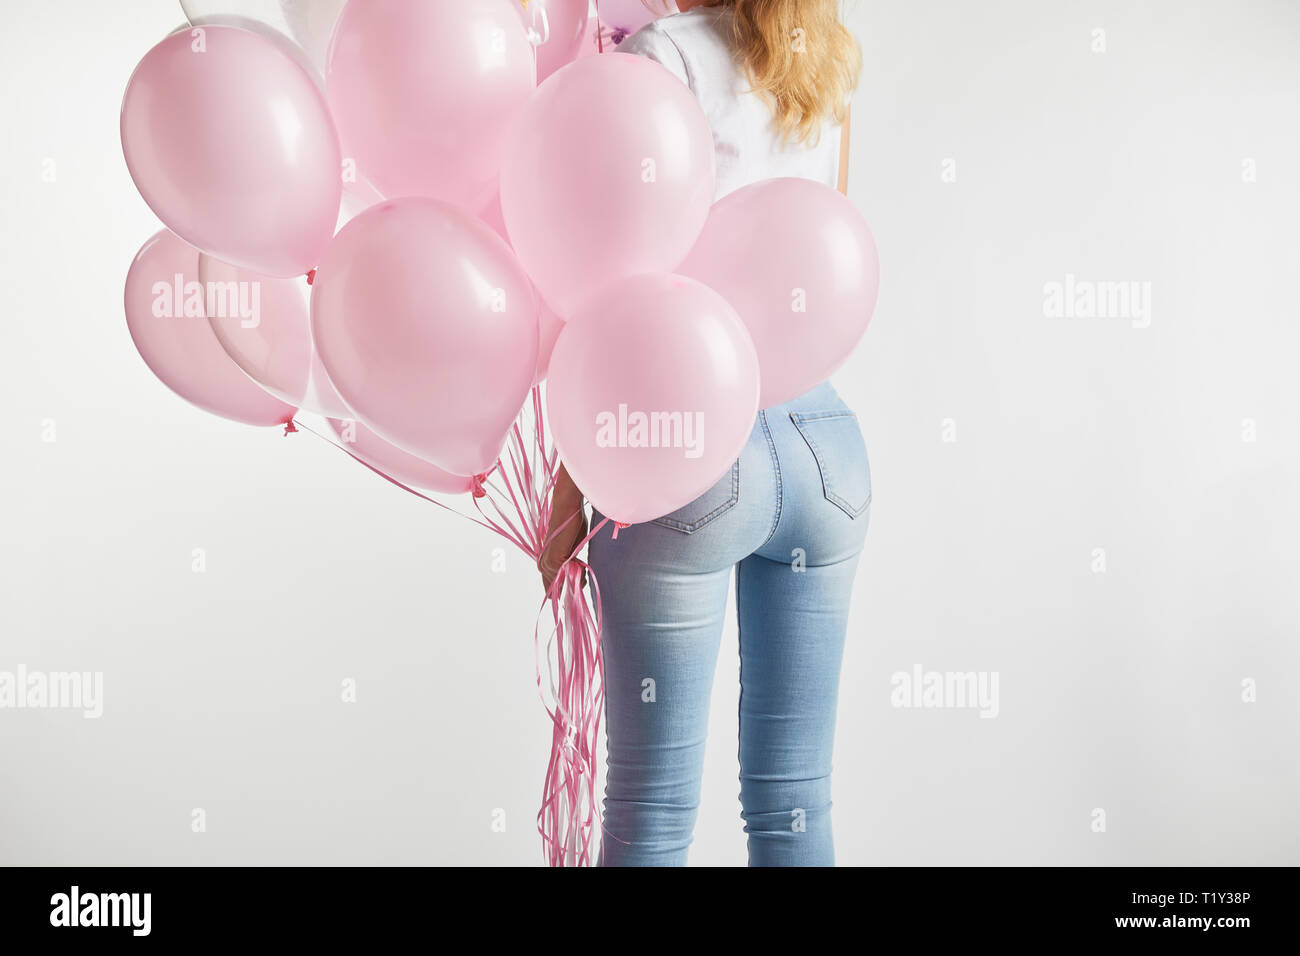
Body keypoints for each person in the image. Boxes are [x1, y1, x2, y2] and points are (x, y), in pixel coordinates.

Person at [539, 0, 869, 867]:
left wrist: (579, 475)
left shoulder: (662, 56)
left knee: (651, 812)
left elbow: (618, 276)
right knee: (795, 797)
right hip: (824, 450)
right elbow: (828, 242)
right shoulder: (827, 61)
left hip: (687, 452)